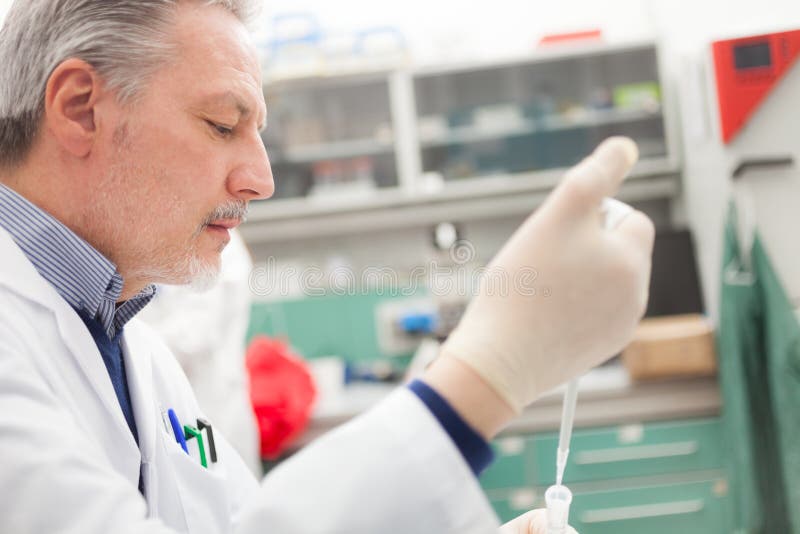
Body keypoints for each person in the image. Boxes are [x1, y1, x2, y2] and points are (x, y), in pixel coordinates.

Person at [0, 1, 654, 533]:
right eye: (224, 124)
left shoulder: (127, 337)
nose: (262, 179)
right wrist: (488, 373)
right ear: (81, 108)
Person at [138, 229, 262, 476]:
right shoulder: (167, 239)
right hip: (174, 418)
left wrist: (130, 339)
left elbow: (195, 336)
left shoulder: (221, 244)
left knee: (221, 495)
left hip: (213, 413)